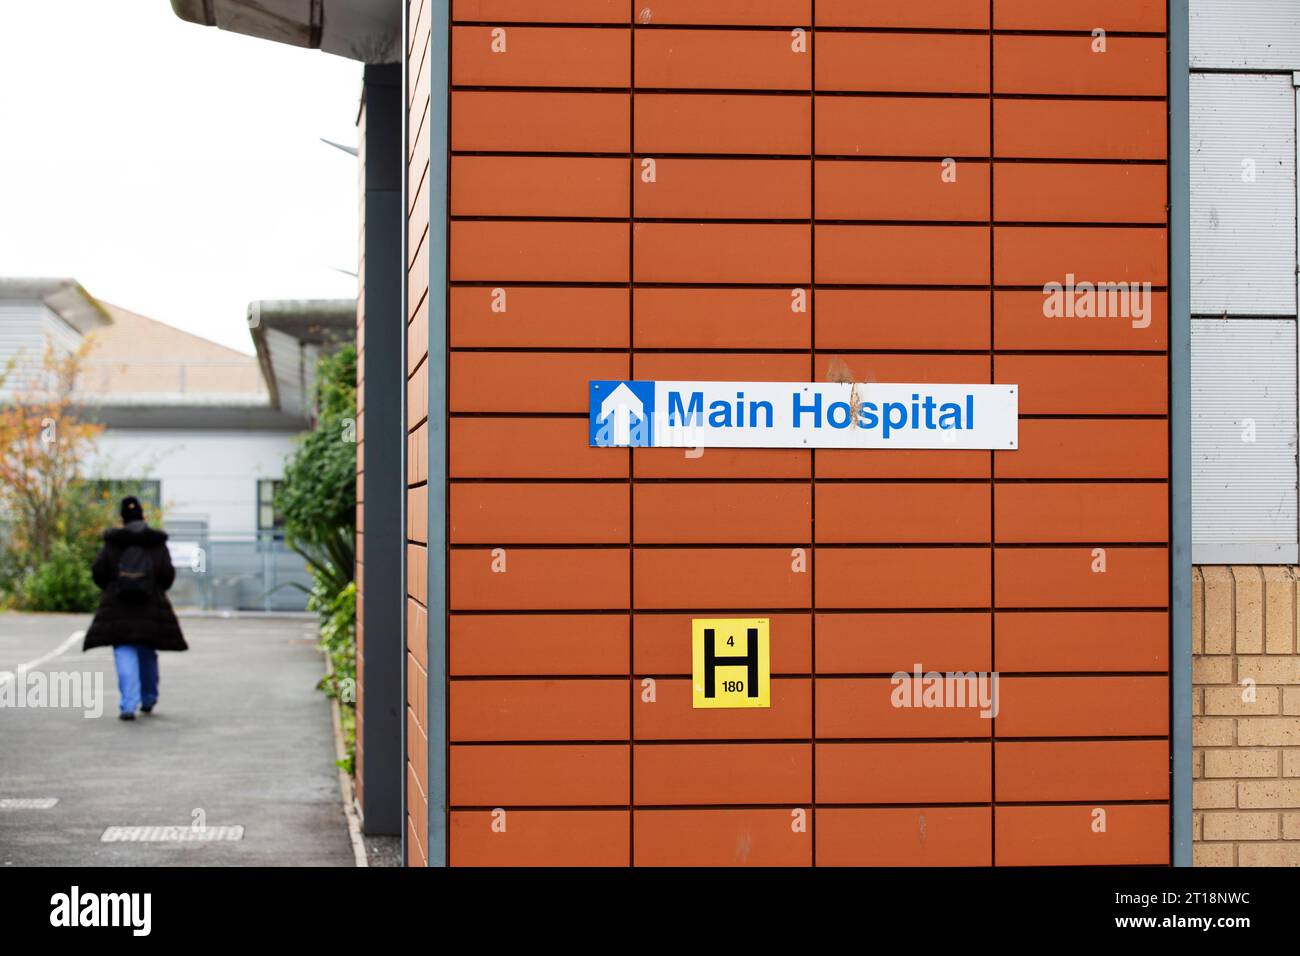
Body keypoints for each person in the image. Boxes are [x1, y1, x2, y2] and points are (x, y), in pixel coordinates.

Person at [83, 496, 188, 720]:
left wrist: (112, 587)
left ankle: (128, 705)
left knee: (124, 651)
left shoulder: (113, 543)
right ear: (142, 514)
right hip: (151, 607)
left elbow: (99, 573)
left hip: (118, 608)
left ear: (122, 517)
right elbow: (167, 575)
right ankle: (148, 698)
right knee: (147, 652)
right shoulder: (156, 543)